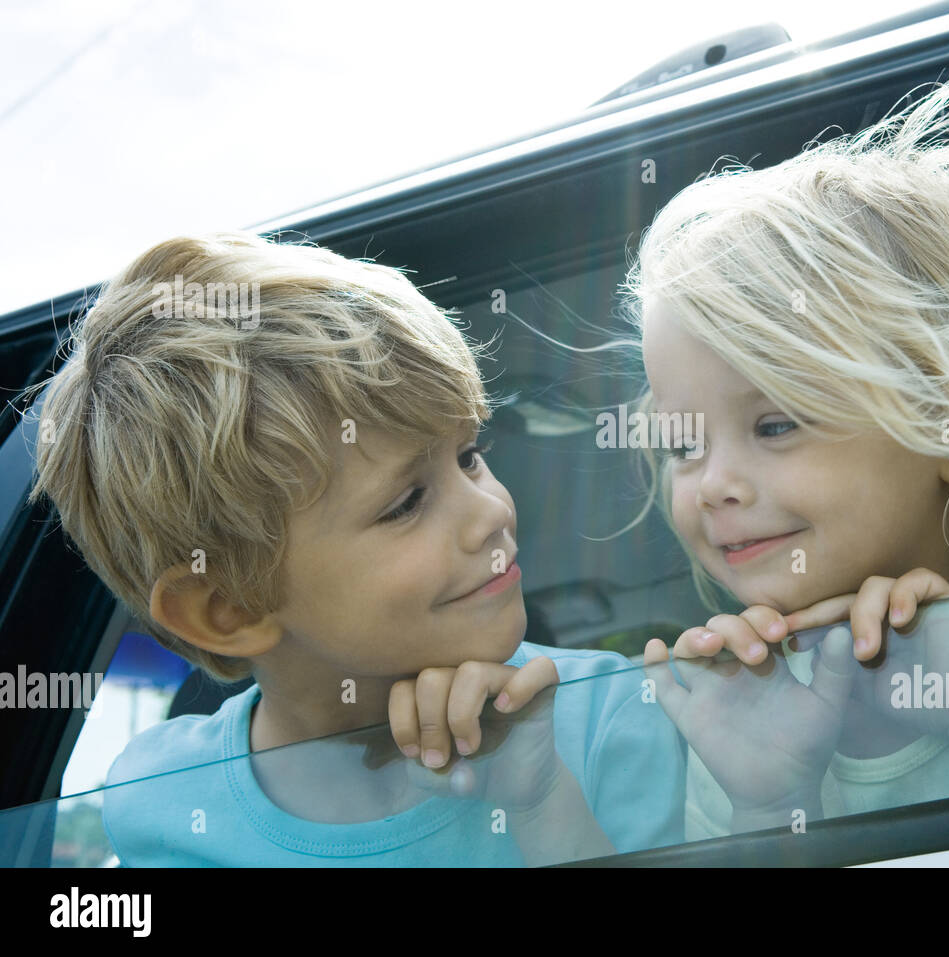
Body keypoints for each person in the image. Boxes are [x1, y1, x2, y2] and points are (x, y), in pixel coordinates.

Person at [24, 232, 684, 865]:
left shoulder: (606, 716)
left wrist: (545, 809)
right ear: (227, 608)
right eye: (405, 503)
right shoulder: (159, 798)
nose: (492, 511)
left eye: (470, 455)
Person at [624, 76, 949, 838]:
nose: (713, 486)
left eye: (774, 425)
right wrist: (769, 806)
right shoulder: (739, 703)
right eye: (681, 444)